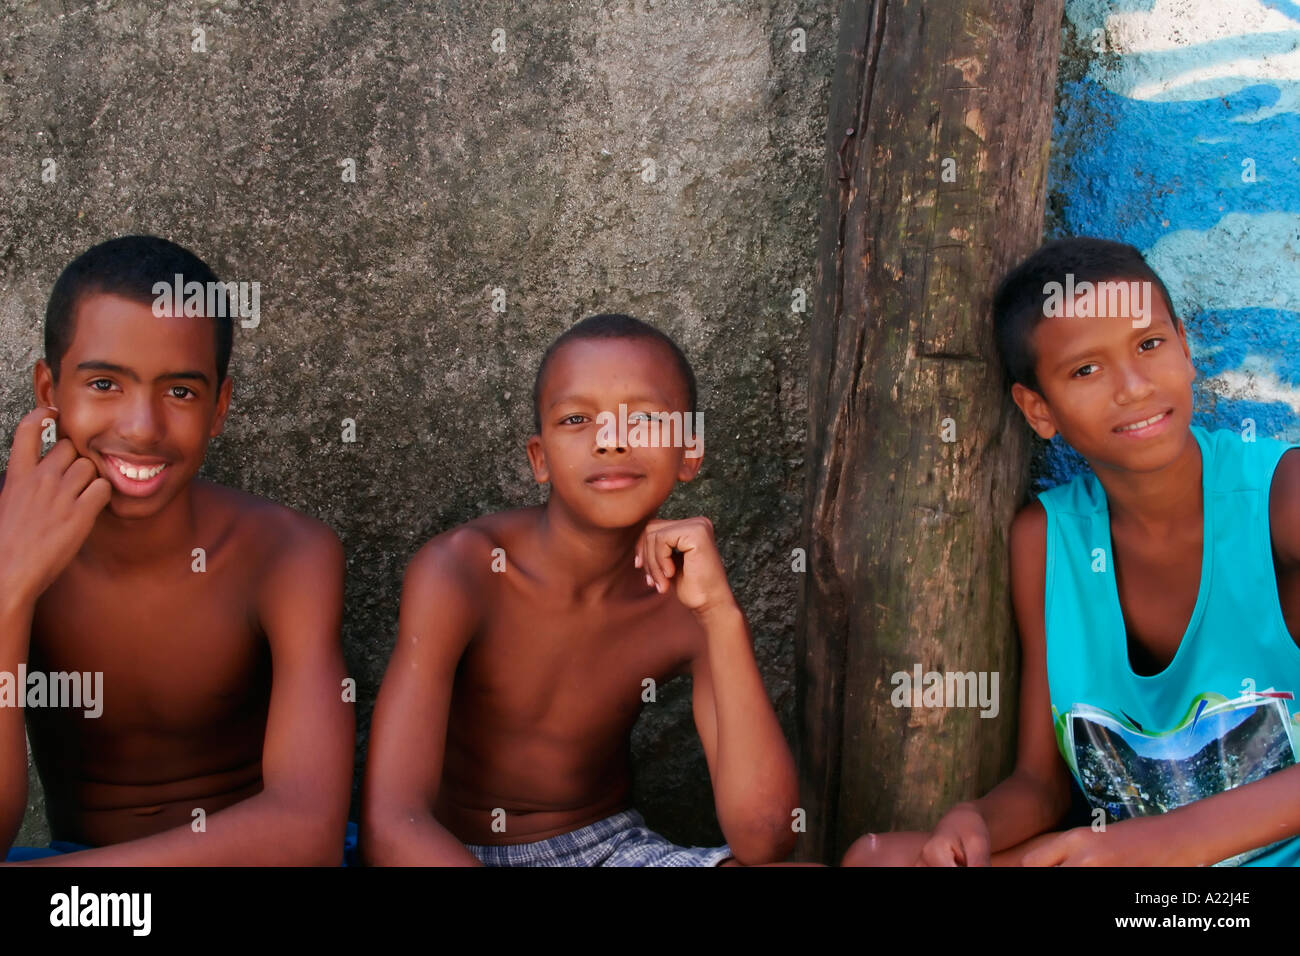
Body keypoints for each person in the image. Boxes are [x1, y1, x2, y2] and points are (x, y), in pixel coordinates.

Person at [844, 237, 1300, 866]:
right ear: (1038, 409)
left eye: (1149, 345)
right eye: (1086, 370)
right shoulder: (1047, 542)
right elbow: (1041, 782)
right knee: (878, 861)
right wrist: (976, 820)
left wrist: (1156, 845)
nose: (1135, 387)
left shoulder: (1283, 501)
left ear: (1185, 348)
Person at [361, 313, 799, 866]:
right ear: (539, 459)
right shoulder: (462, 572)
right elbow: (392, 826)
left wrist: (719, 615)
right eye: (576, 419)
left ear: (690, 451)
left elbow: (767, 841)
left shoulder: (687, 599)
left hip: (608, 849)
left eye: (643, 419)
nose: (612, 441)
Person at [0, 235, 354, 865]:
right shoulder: (5, 534)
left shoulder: (286, 554)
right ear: (49, 391)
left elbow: (307, 829)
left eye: (181, 392)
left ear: (219, 407)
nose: (141, 427)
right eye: (105, 383)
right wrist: (9, 587)